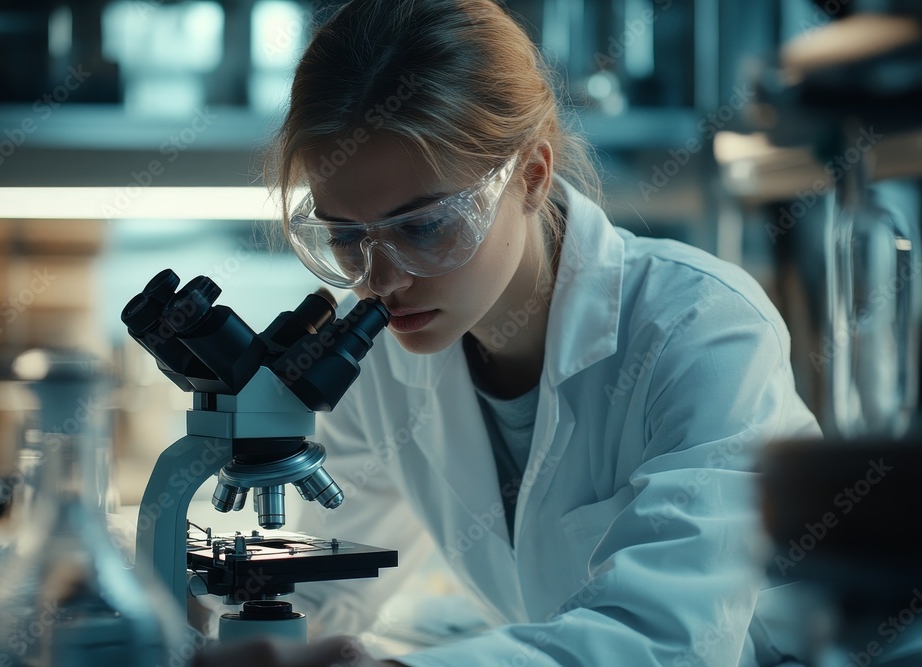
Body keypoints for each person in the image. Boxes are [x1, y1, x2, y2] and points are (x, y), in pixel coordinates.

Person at [197, 0, 821, 665]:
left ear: (531, 175)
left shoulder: (701, 329)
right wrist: (213, 624)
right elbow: (336, 572)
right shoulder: (382, 359)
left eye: (422, 226)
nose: (380, 279)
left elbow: (664, 641)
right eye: (347, 236)